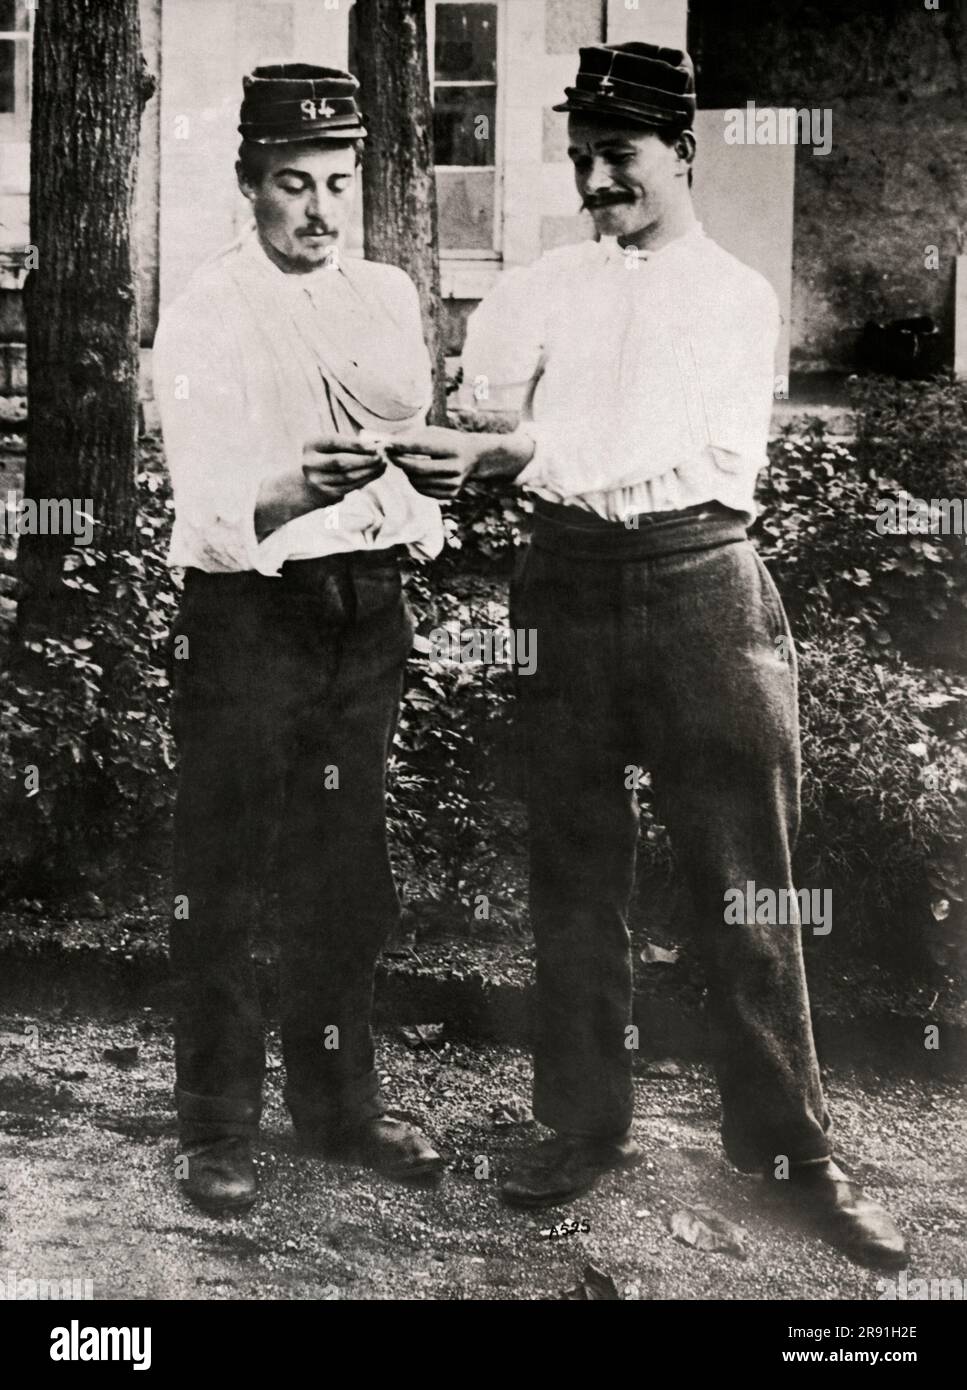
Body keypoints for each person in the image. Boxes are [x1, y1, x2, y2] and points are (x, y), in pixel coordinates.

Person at [386, 41, 907, 1270]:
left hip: (696, 589)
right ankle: (581, 1121)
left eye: (618, 158)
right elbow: (492, 395)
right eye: (580, 162)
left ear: (681, 153)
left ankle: (790, 1149)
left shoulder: (732, 295)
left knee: (746, 878)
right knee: (573, 872)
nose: (596, 183)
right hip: (563, 592)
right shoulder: (552, 280)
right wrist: (496, 406)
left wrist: (519, 448)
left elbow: (642, 443)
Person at [153, 63, 444, 1213]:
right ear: (247, 185)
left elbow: (407, 444)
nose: (319, 212)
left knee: (346, 868)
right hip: (249, 616)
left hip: (363, 611)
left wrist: (418, 494)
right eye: (291, 184)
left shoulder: (382, 297)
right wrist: (284, 493)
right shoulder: (207, 310)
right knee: (224, 866)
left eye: (337, 184)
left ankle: (340, 1109)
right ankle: (216, 1124)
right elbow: (207, 507)